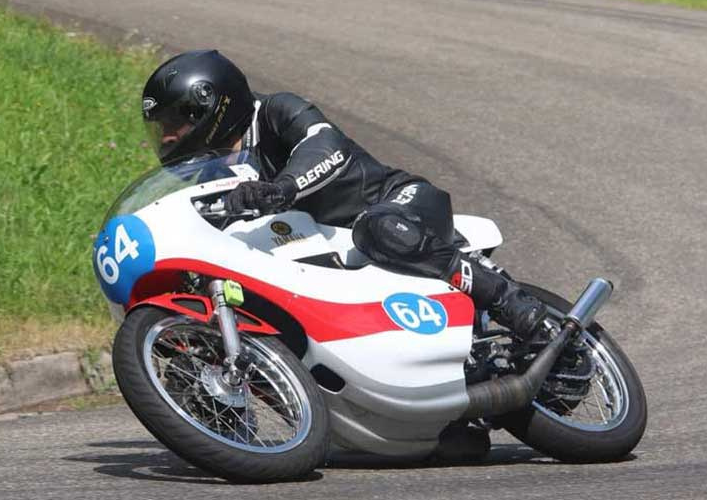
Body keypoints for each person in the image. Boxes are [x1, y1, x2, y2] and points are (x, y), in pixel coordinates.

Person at [141, 50, 546, 339]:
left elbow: (327, 146)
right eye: (161, 130)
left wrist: (283, 187)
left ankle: (509, 300)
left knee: (377, 228)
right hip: (336, 259)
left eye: (173, 124)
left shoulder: (276, 111)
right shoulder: (211, 177)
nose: (168, 138)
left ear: (206, 105)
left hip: (396, 203)